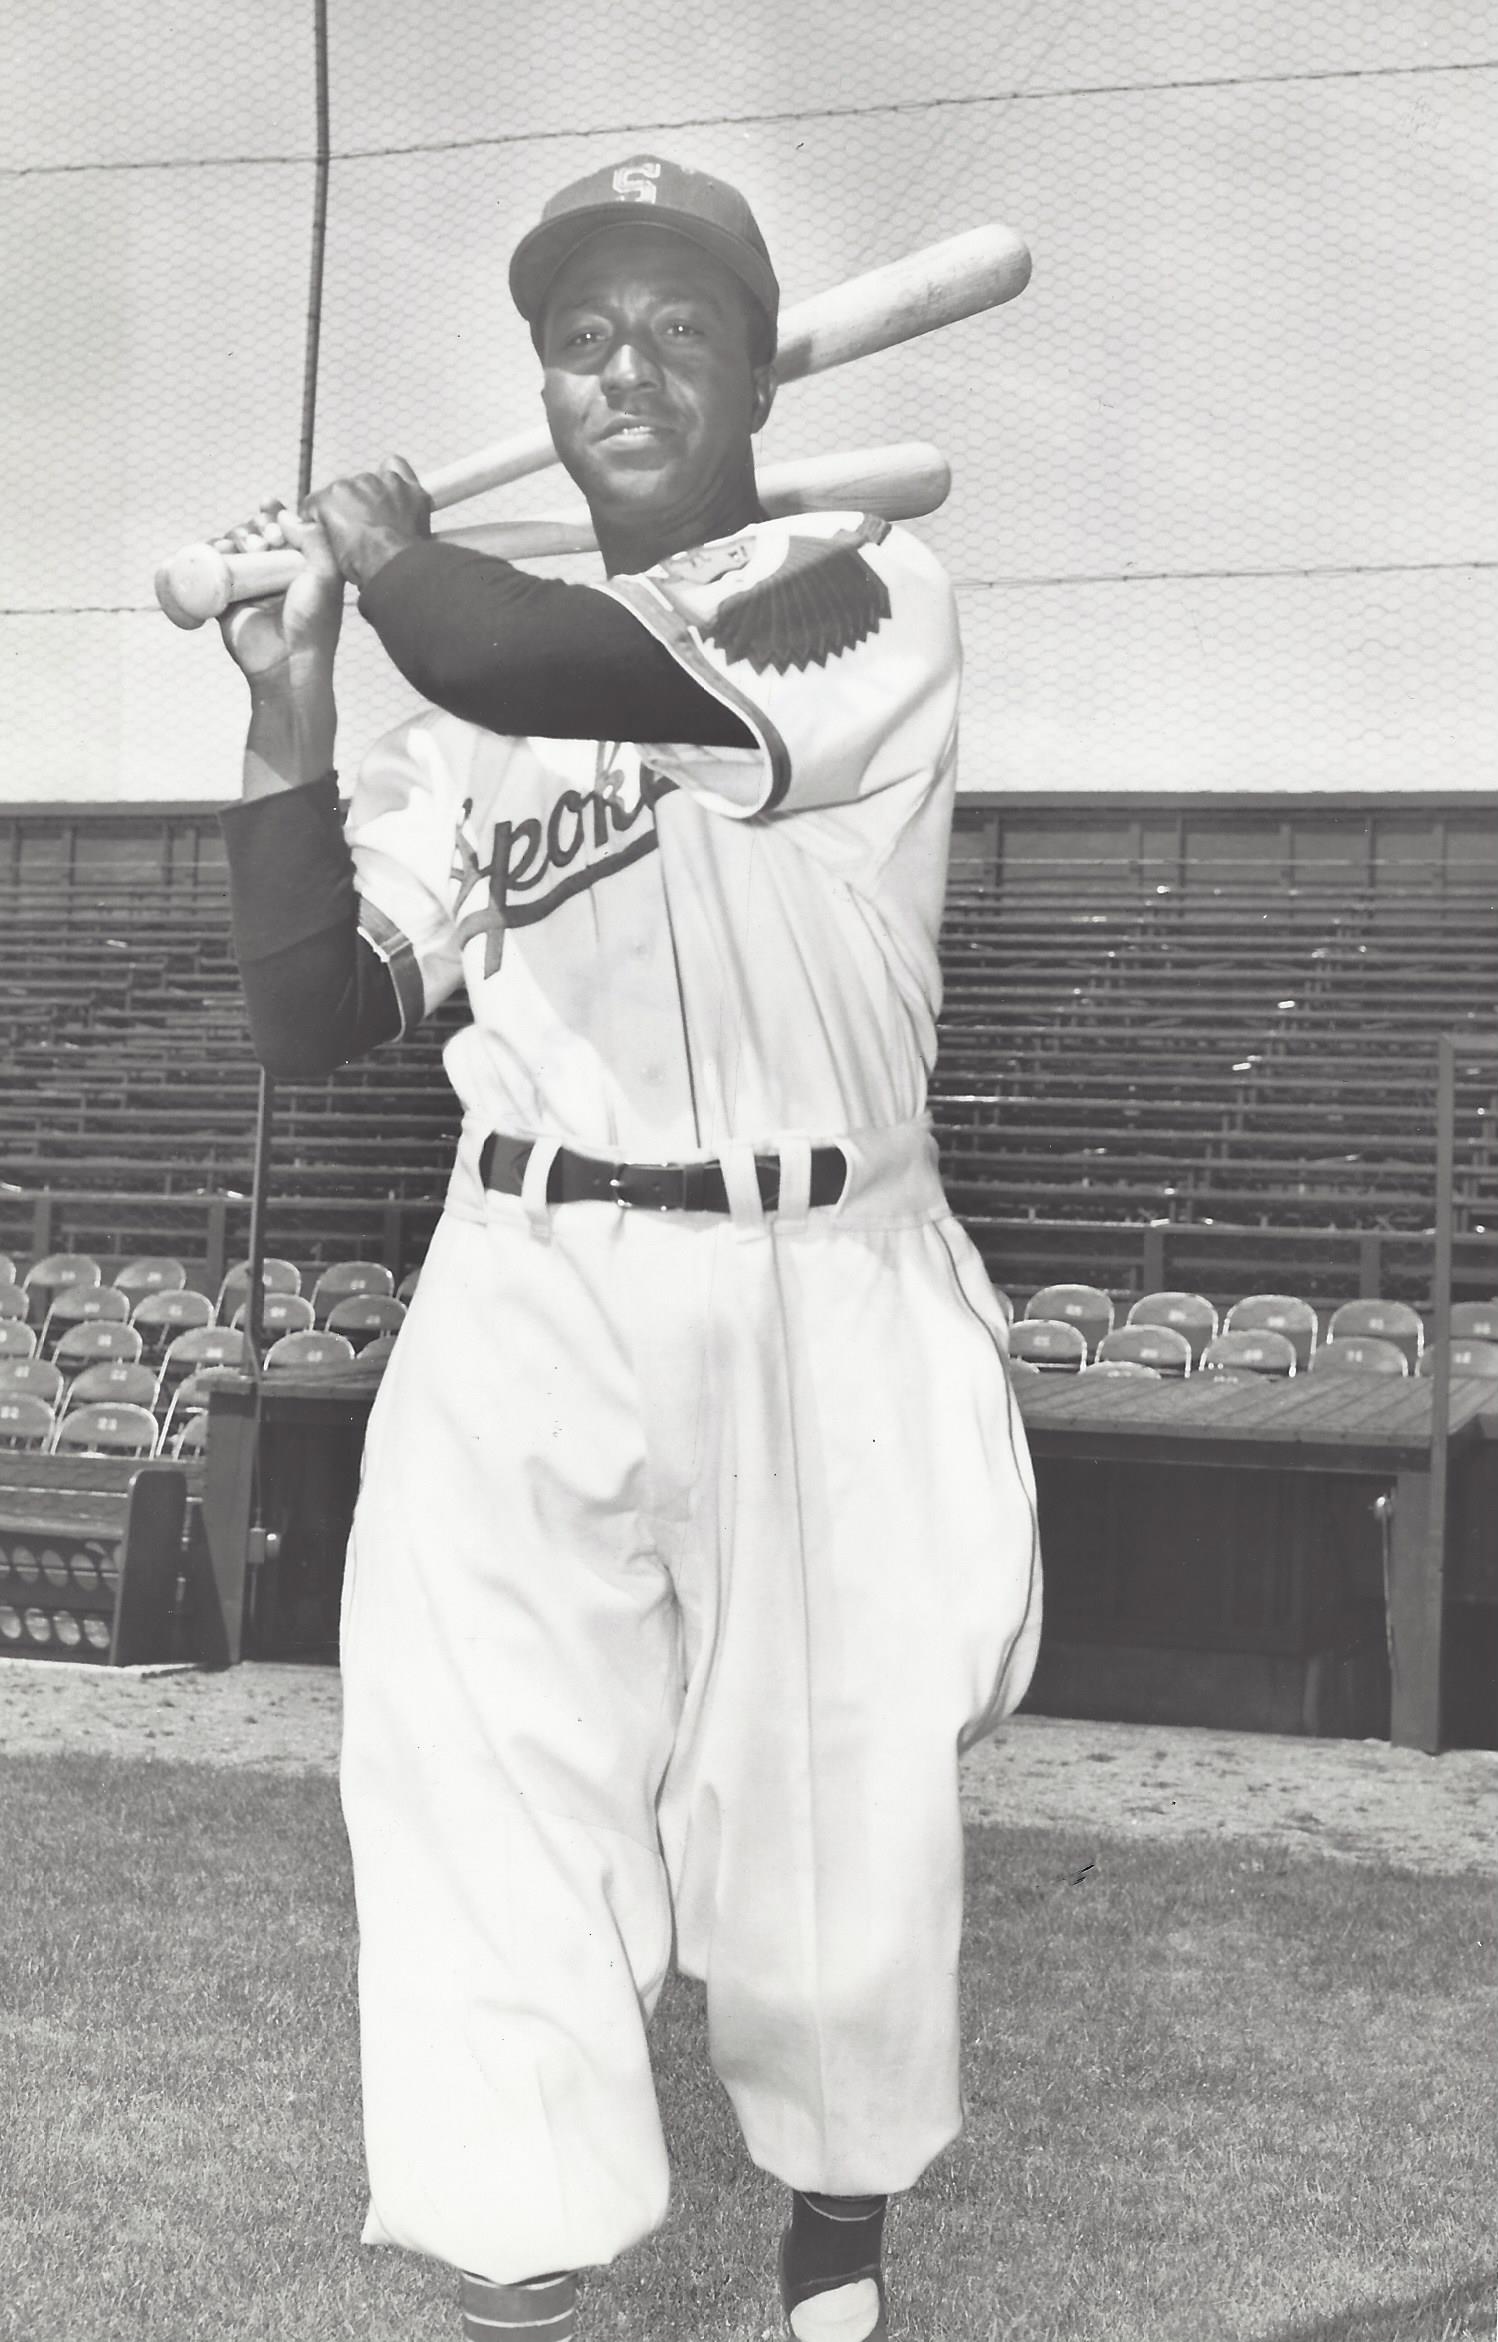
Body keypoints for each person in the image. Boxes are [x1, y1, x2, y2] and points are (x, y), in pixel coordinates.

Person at [215, 154, 1042, 2342]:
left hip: (816, 1269)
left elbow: (564, 646)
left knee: (826, 1843)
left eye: (680, 323)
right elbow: (314, 1010)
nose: (625, 366)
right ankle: (518, 2258)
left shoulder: (860, 581)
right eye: (582, 335)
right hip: (526, 1275)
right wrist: (291, 707)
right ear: (544, 384)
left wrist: (386, 554)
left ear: (762, 366)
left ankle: (832, 2260)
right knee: (464, 1755)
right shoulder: (452, 716)